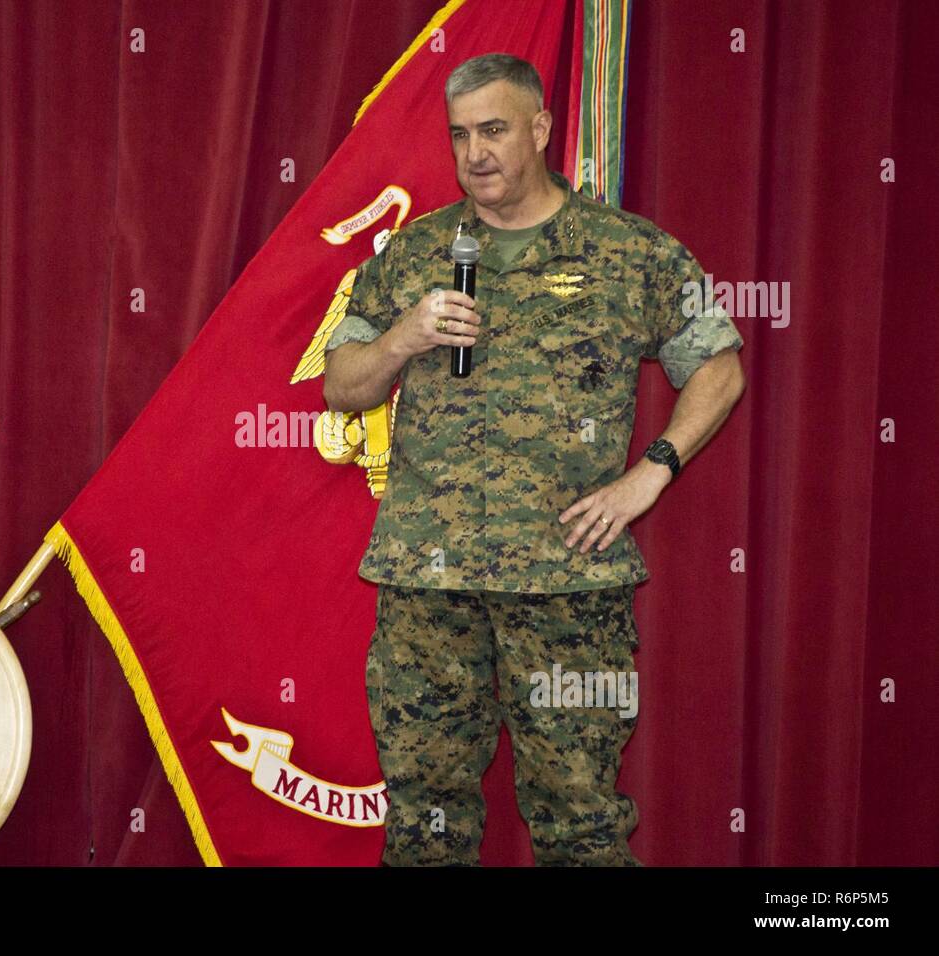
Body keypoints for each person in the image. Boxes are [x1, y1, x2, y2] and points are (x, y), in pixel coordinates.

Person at [322, 53, 746, 866]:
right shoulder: (415, 254)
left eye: (493, 130)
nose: (475, 153)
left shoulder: (629, 252)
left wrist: (651, 471)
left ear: (541, 129)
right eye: (459, 136)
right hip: (427, 590)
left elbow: (719, 365)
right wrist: (406, 334)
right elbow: (342, 386)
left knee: (581, 826)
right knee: (424, 827)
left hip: (568, 589)